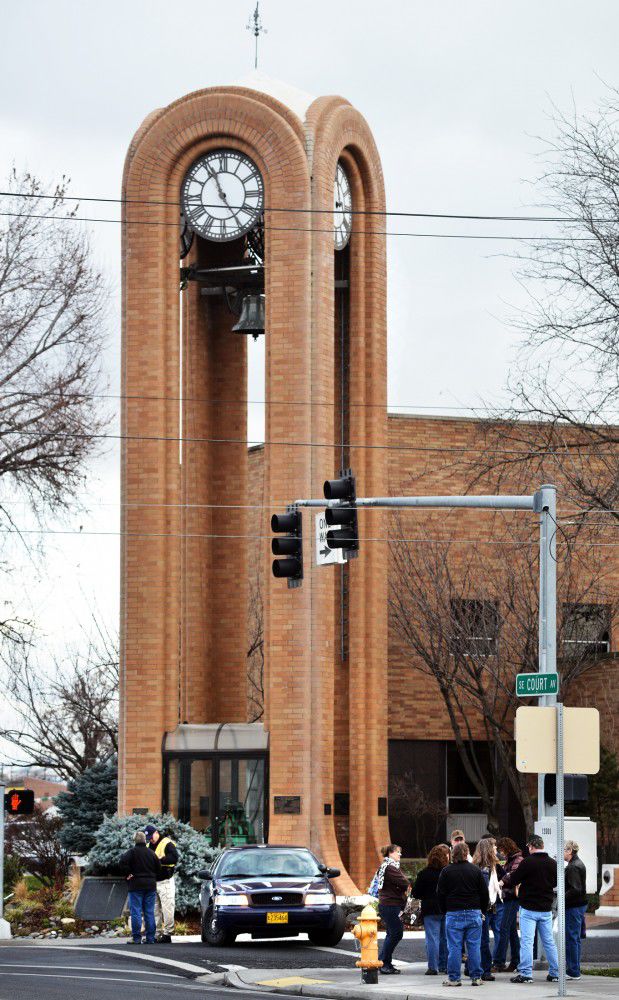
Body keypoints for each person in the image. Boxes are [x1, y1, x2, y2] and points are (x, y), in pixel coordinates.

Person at [508, 834, 559, 984]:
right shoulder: (552, 863)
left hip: (529, 908)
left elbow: (514, 880)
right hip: (545, 908)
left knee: (527, 942)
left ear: (531, 846)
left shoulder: (527, 862)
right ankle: (555, 973)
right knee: (549, 942)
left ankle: (526, 974)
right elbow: (556, 882)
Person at [437, 841, 489, 987]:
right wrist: (482, 911)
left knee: (454, 947)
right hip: (473, 913)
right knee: (474, 947)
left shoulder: (446, 871)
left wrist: (444, 911)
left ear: (453, 854)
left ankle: (454, 978)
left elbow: (440, 894)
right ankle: (476, 977)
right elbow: (484, 894)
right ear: (467, 853)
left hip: (453, 913)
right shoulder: (475, 870)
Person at [119, 829, 161, 945]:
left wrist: (129, 874)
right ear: (145, 840)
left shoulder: (131, 852)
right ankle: (150, 938)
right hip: (150, 885)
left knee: (136, 912)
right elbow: (158, 868)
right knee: (149, 912)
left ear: (135, 841)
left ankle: (136, 938)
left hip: (135, 885)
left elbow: (122, 863)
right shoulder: (151, 853)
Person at [412, 844, 449, 975]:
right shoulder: (447, 872)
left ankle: (433, 967)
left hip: (430, 909)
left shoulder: (424, 873)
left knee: (432, 939)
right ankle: (444, 966)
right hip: (446, 908)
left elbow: (415, 893)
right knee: (446, 938)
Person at [376, 844, 411, 975]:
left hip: (388, 904)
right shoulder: (390, 868)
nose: (399, 855)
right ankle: (384, 962)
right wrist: (406, 883)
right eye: (397, 852)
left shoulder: (387, 866)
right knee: (397, 933)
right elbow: (404, 882)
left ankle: (385, 962)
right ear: (390, 853)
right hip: (390, 905)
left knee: (392, 933)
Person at [472, 838, 503, 981]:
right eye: (494, 846)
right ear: (489, 849)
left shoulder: (480, 866)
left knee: (477, 940)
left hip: (481, 908)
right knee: (483, 940)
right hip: (484, 909)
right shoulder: (485, 869)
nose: (496, 848)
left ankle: (471, 968)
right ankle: (485, 970)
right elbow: (484, 892)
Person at [144, 823, 179, 944]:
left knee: (167, 908)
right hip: (154, 882)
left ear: (156, 833)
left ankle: (168, 933)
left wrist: (159, 860)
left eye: (152, 837)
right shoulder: (149, 845)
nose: (151, 840)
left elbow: (174, 858)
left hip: (165, 881)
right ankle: (156, 933)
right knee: (155, 910)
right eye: (149, 839)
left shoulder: (167, 843)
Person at [494, 837, 523, 972]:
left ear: (507, 848)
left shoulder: (517, 859)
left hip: (512, 898)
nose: (502, 853)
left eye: (502, 850)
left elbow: (513, 875)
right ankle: (515, 961)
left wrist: (502, 881)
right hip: (508, 898)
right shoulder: (511, 859)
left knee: (504, 928)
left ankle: (499, 962)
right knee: (511, 932)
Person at [564, 839, 587, 981]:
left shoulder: (573, 867)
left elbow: (575, 889)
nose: (562, 853)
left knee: (572, 938)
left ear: (569, 851)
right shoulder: (577, 864)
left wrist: (561, 897)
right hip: (579, 905)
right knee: (575, 938)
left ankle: (573, 971)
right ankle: (574, 969)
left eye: (564, 850)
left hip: (574, 905)